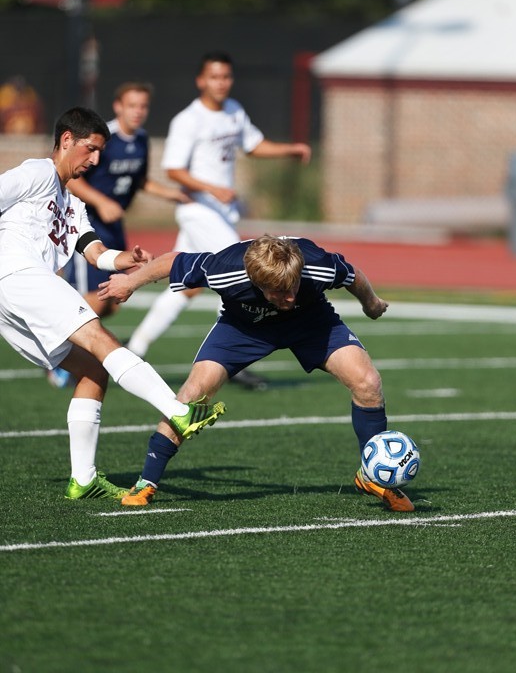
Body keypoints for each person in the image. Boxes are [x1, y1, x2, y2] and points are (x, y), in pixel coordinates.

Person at [0, 106, 225, 501]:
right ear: (66, 140)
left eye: (100, 152)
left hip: (13, 292)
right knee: (101, 339)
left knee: (93, 370)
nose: (95, 160)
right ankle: (178, 411)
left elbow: (96, 252)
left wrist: (130, 261)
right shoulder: (38, 172)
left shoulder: (73, 202)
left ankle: (83, 480)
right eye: (90, 149)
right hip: (17, 274)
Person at [99, 234, 415, 513]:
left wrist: (371, 303)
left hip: (310, 322)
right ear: (256, 281)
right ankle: (147, 481)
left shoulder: (316, 265)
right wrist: (129, 282)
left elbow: (352, 275)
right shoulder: (225, 269)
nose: (288, 297)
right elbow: (172, 261)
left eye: (292, 287)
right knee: (191, 396)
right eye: (278, 291)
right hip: (243, 328)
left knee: (368, 382)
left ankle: (374, 477)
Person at [127, 51, 312, 391]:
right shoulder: (188, 119)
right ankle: (232, 360)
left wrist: (291, 149)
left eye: (226, 76)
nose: (221, 83)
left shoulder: (233, 111)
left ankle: (134, 349)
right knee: (242, 270)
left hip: (220, 213)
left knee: (184, 288)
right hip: (198, 210)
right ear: (201, 80)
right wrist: (213, 189)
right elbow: (174, 170)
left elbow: (254, 145)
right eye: (214, 76)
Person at [47, 81, 190, 387]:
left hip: (114, 228)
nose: (138, 112)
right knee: (96, 299)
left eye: (143, 106)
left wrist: (173, 194)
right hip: (88, 227)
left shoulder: (141, 139)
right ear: (118, 106)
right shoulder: (102, 138)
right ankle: (60, 358)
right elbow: (71, 178)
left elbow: (140, 181)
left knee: (112, 299)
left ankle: (65, 345)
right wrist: (101, 201)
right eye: (132, 105)